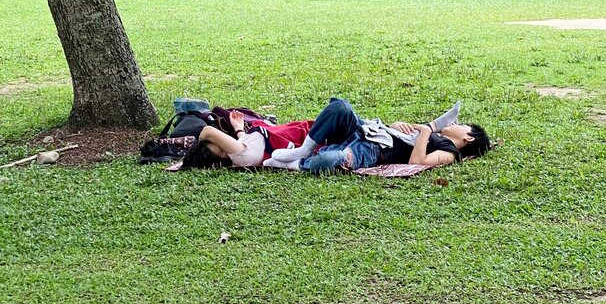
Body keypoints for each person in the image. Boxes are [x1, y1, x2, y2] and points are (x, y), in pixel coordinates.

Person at [181, 99, 489, 171]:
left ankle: (297, 163)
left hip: (373, 152)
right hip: (372, 130)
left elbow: (418, 161)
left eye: (463, 125)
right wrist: (399, 126)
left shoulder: (450, 152)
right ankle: (303, 151)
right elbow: (401, 135)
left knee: (331, 159)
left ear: (469, 137)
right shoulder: (437, 137)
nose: (459, 125)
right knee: (339, 107)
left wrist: (425, 130)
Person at [180, 110, 313, 170]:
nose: (225, 145)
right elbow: (207, 131)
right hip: (310, 133)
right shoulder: (242, 157)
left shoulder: (242, 153)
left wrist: (238, 128)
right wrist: (199, 143)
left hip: (305, 130)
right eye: (222, 149)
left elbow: (246, 144)